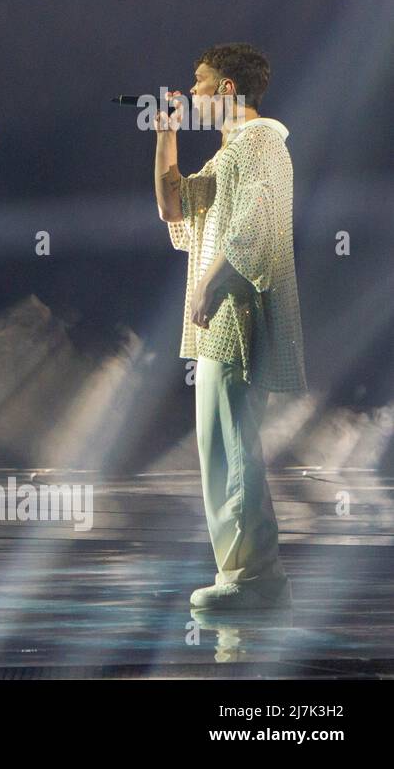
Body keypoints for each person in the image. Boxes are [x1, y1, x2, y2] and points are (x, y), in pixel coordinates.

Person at [154, 43, 306, 610]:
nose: (191, 93)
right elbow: (176, 207)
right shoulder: (226, 155)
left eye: (198, 83)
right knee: (218, 444)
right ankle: (243, 573)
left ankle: (256, 577)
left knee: (234, 444)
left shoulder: (263, 140)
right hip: (221, 321)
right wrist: (166, 134)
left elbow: (255, 221)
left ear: (224, 89)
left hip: (239, 316)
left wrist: (210, 282)